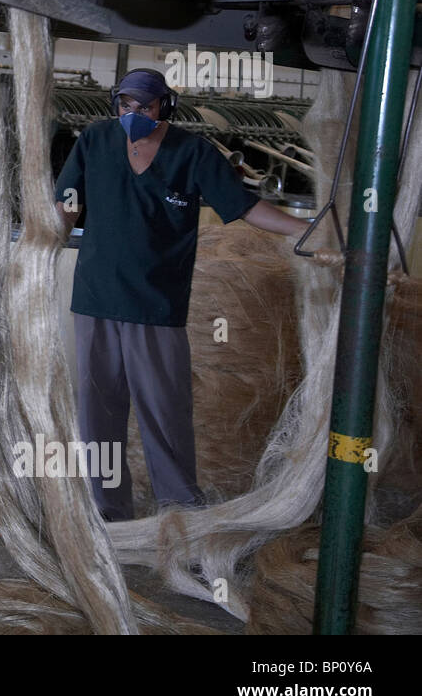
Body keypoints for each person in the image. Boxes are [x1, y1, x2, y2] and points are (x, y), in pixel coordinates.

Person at [53, 67, 309, 522]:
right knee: (98, 414)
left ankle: (181, 512)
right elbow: (67, 204)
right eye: (126, 105)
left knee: (163, 413)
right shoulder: (95, 140)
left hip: (155, 304)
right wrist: (41, 243)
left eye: (144, 107)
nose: (133, 114)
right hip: (95, 298)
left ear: (164, 107)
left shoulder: (192, 153)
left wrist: (307, 233)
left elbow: (246, 207)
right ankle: (106, 511)